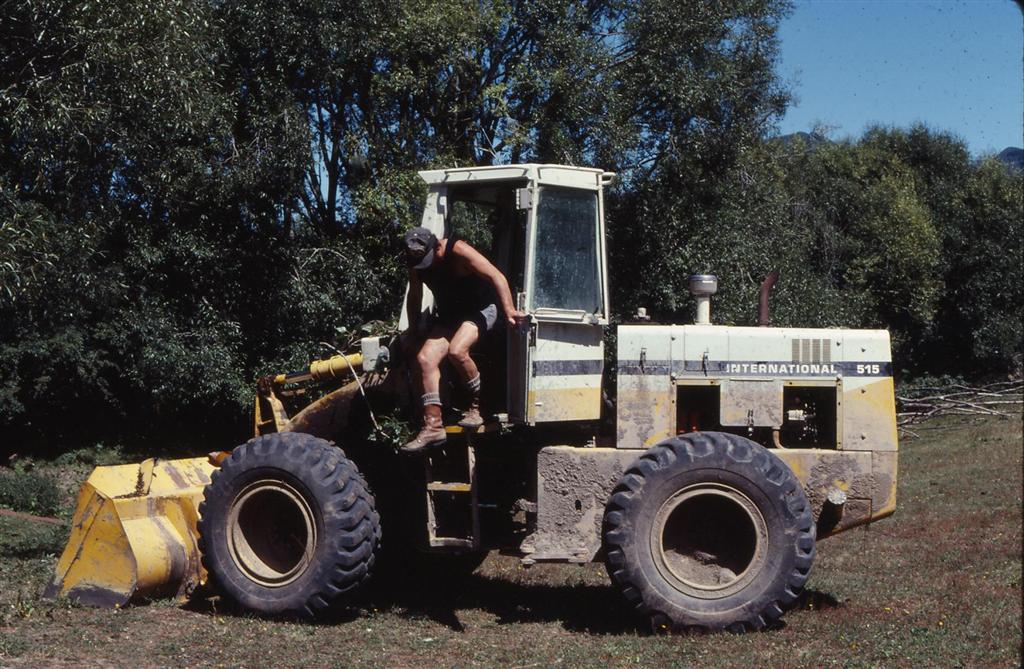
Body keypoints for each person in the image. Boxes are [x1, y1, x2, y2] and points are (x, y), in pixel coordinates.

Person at [401, 226, 522, 454]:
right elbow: (414, 295)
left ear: (437, 246)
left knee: (457, 350)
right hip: (450, 315)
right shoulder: (415, 262)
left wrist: (510, 311)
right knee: (425, 358)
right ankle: (433, 426)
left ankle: (479, 407)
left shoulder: (457, 249)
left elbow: (496, 275)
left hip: (481, 309)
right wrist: (414, 330)